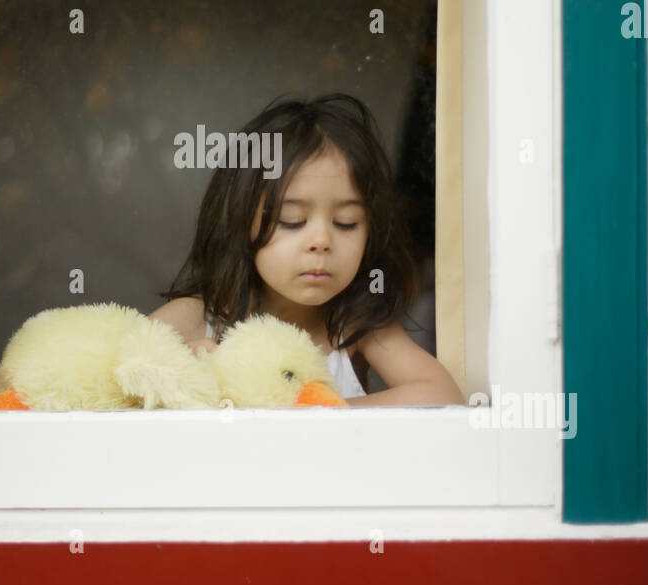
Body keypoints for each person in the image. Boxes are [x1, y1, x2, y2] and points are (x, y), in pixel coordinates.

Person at [148, 93, 464, 407]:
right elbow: (111, 382)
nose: (321, 241)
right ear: (241, 224)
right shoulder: (198, 317)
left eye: (346, 222)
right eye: (293, 220)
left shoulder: (353, 322)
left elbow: (441, 394)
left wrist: (322, 412)